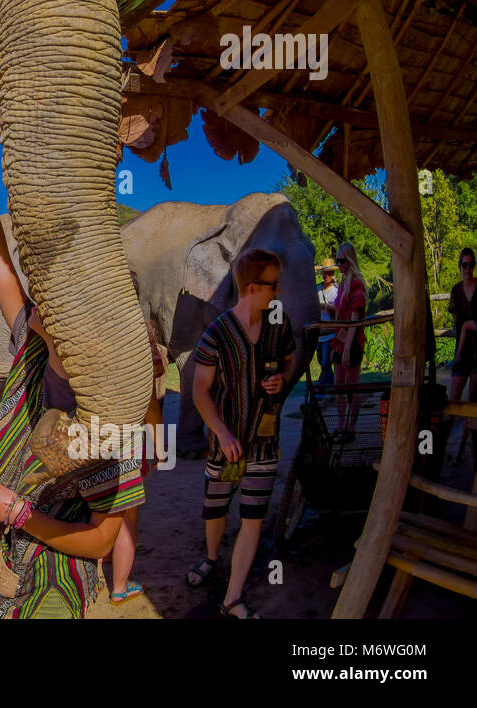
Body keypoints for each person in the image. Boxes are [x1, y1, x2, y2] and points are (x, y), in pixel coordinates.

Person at [0, 87, 146, 619]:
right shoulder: (31, 347)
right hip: (5, 572)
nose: (36, 304)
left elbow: (102, 541)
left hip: (55, 592)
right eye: (42, 293)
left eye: (52, 299)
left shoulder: (112, 416)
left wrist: (14, 511)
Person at [184, 248, 296, 619]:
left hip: (265, 443)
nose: (278, 292)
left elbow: (291, 359)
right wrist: (221, 433)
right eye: (273, 285)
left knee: (253, 518)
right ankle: (212, 558)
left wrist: (283, 379)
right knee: (214, 509)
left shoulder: (280, 325)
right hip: (223, 447)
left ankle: (232, 598)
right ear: (252, 287)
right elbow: (200, 390)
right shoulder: (216, 334)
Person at [103, 270, 165, 605]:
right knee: (128, 515)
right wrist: (159, 443)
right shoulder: (138, 336)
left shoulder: (90, 333)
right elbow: (149, 401)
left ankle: (104, 556)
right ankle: (120, 586)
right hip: (127, 436)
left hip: (95, 433)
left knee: (104, 502)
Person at [330, 242, 367, 439]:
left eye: (343, 260)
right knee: (339, 385)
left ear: (351, 260)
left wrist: (347, 348)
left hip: (350, 341)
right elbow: (341, 312)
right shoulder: (344, 283)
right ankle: (341, 424)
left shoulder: (356, 283)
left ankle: (351, 427)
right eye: (338, 261)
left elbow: (355, 317)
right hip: (339, 338)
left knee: (352, 384)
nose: (340, 264)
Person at [446, 248, 477, 448]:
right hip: (462, 351)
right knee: (451, 403)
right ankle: (434, 448)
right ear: (460, 266)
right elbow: (458, 322)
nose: (467, 268)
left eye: (471, 264)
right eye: (464, 264)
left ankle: (462, 450)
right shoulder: (456, 291)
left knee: (472, 405)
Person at [314, 259, 339, 386]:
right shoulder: (317, 289)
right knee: (321, 360)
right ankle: (330, 385)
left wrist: (325, 306)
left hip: (330, 331)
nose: (328, 275)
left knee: (325, 362)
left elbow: (338, 308)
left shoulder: (336, 290)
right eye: (326, 273)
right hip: (319, 330)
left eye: (330, 273)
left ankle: (323, 386)